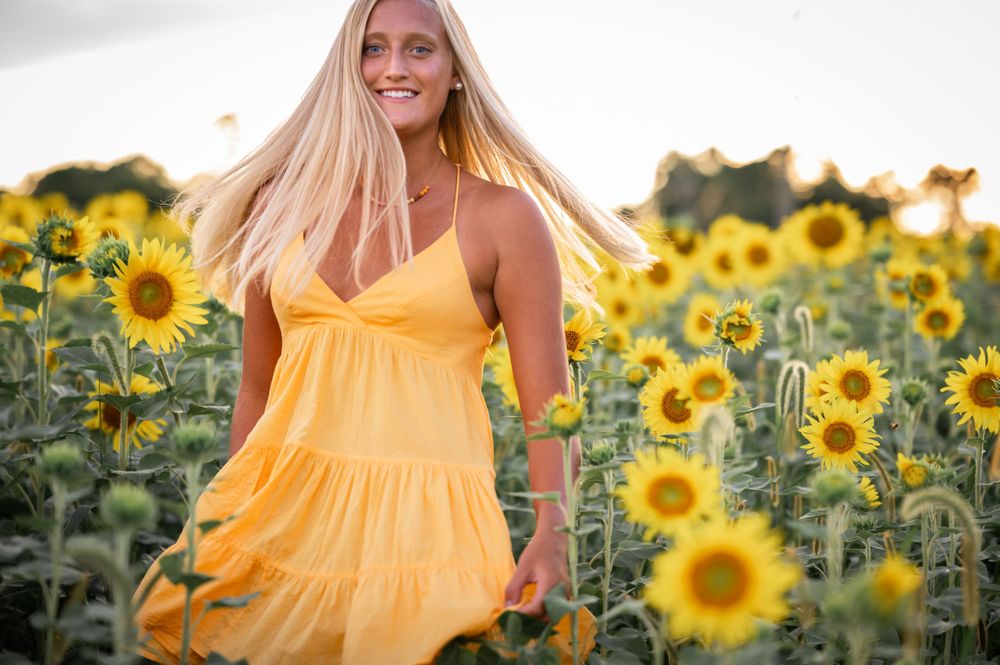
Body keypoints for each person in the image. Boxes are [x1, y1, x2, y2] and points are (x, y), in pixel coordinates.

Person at [132, 0, 656, 662]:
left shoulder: (503, 219)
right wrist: (230, 522)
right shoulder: (280, 205)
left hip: (428, 535)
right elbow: (258, 390)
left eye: (419, 48)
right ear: (348, 69)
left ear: (456, 72)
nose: (393, 68)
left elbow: (551, 414)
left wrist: (553, 537)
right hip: (281, 523)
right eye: (373, 48)